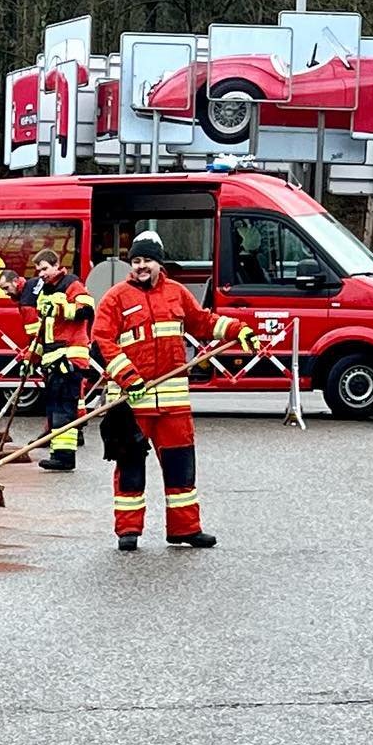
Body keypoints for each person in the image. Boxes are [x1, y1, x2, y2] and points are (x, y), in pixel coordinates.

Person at [92, 229, 257, 550]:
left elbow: (203, 322)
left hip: (173, 404)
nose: (141, 266)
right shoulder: (115, 297)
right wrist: (128, 377)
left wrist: (238, 330)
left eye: (147, 260)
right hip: (131, 403)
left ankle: (185, 529)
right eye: (136, 261)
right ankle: (128, 530)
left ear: (159, 263)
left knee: (181, 469)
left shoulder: (176, 293)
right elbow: (103, 341)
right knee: (130, 469)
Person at [27, 249, 96, 472]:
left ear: (57, 265)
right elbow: (44, 332)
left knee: (65, 408)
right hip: (53, 357)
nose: (41, 274)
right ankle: (58, 454)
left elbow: (87, 310)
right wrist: (31, 358)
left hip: (70, 356)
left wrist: (58, 309)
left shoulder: (71, 283)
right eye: (38, 270)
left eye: (45, 269)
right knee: (55, 408)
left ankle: (65, 457)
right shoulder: (45, 291)